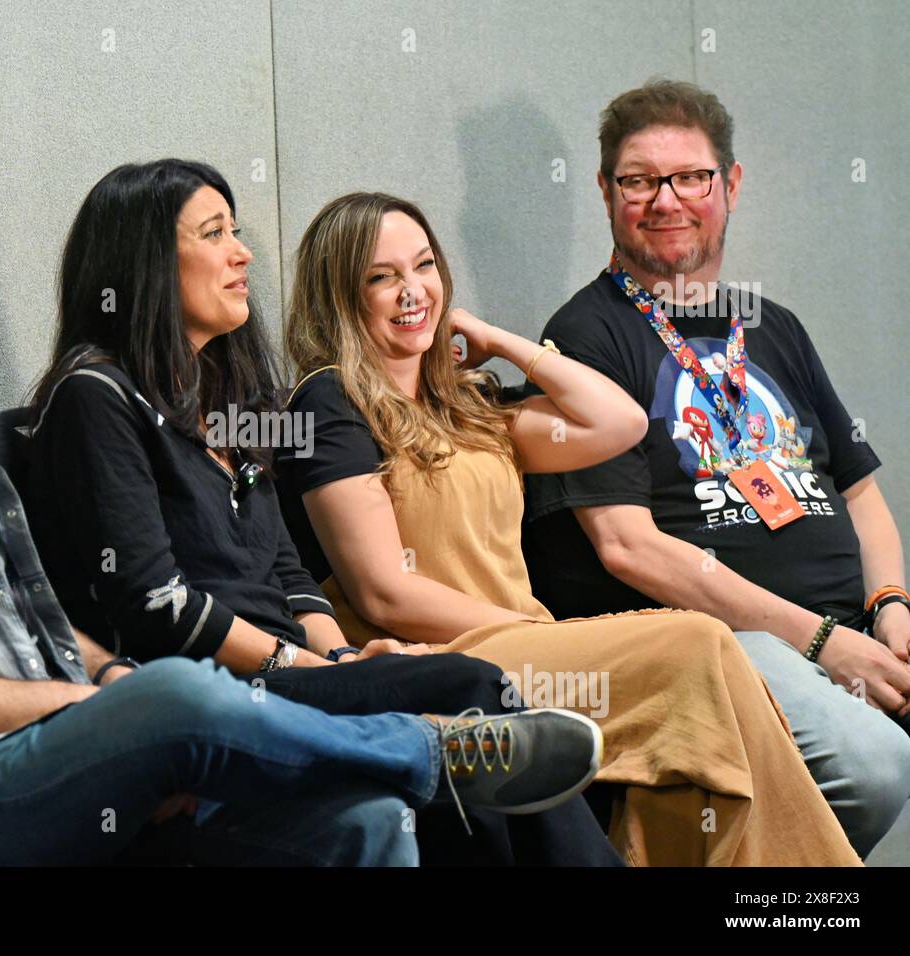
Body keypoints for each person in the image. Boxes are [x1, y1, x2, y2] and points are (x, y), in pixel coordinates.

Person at [0, 137, 596, 868]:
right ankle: (432, 751)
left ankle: (398, 756)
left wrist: (111, 693)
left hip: (67, 752)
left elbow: (38, 618)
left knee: (356, 821)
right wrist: (104, 715)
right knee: (179, 694)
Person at [22, 158, 616, 865]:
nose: (243, 253)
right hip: (212, 689)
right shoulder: (97, 395)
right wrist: (299, 661)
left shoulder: (229, 404)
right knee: (473, 685)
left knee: (468, 766)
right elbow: (153, 602)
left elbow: (286, 568)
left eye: (236, 230)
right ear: (145, 261)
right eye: (214, 234)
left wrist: (339, 654)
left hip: (291, 668)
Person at [278, 188, 862, 865]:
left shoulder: (470, 405)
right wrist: (538, 634)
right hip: (446, 665)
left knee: (690, 763)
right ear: (340, 296)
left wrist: (499, 341)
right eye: (382, 278)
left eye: (424, 266)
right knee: (696, 642)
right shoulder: (330, 403)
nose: (413, 292)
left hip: (532, 649)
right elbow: (385, 594)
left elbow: (618, 423)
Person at [517, 80, 910, 857]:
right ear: (605, 192)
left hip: (847, 632)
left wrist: (892, 607)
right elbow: (627, 546)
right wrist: (823, 641)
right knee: (872, 767)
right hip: (715, 643)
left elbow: (859, 493)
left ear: (729, 184)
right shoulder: (585, 336)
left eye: (691, 177)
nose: (667, 200)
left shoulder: (773, 326)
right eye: (639, 180)